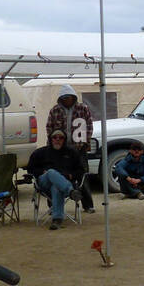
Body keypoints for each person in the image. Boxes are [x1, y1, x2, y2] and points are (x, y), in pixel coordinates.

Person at [47, 85, 96, 213]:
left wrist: (86, 141)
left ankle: (88, 205)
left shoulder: (83, 108)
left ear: (73, 97)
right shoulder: (55, 110)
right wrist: (52, 144)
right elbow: (49, 128)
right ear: (61, 99)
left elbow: (89, 125)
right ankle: (53, 205)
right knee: (56, 174)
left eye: (68, 97)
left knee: (82, 175)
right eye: (64, 98)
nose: (66, 100)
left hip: (79, 148)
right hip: (60, 149)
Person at [28, 129, 86, 229]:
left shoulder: (72, 153)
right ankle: (71, 192)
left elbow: (81, 170)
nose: (57, 140)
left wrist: (71, 176)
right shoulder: (40, 153)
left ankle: (57, 220)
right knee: (51, 172)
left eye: (61, 137)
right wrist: (42, 172)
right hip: (44, 184)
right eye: (55, 137)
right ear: (50, 139)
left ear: (64, 140)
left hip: (62, 183)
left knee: (56, 187)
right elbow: (30, 169)